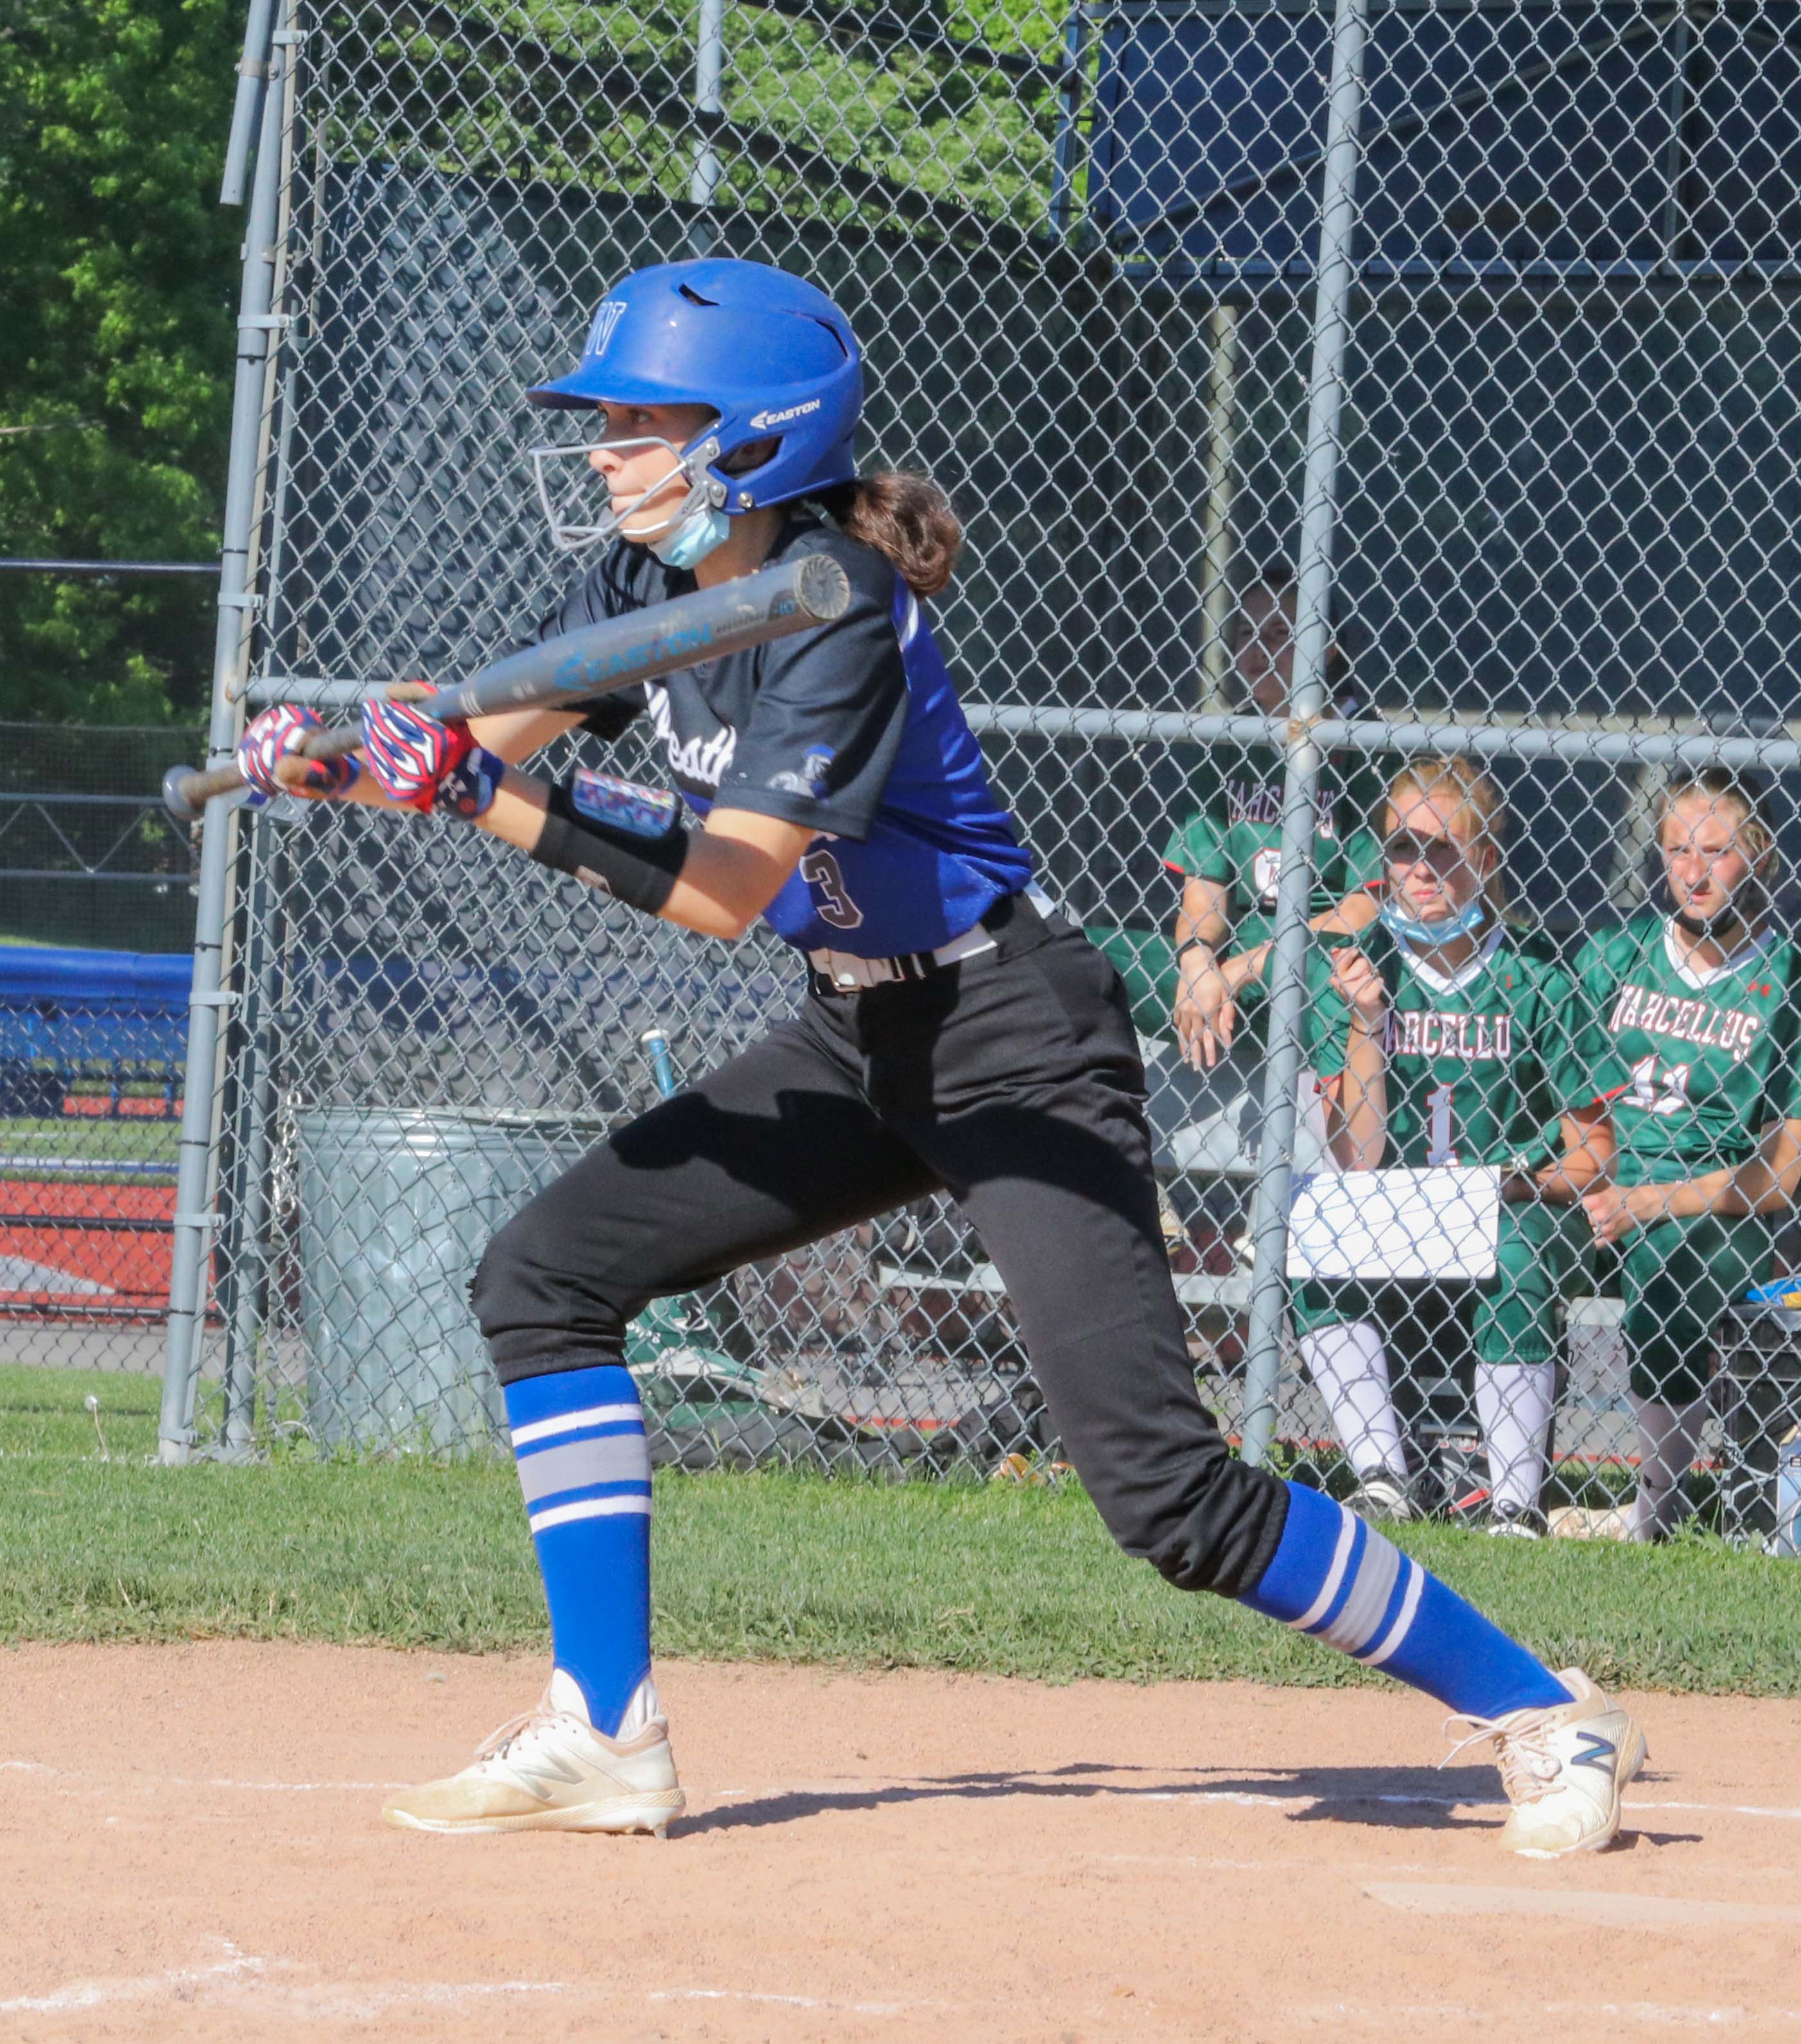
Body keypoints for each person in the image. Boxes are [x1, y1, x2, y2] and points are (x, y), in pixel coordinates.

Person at [235, 257, 1644, 1858]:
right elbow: (480, 737)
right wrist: (353, 757)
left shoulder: (832, 602)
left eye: (643, 421)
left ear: (753, 437)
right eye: (607, 421)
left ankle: (1546, 1707)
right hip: (857, 1031)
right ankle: (605, 1728)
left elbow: (724, 888)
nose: (607, 450)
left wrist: (470, 795)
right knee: (543, 1275)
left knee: (1165, 1494)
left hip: (1013, 1034)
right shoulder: (640, 578)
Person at [1296, 756, 1613, 1537]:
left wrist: (1512, 1184)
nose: (1421, 867)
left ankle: (1514, 1504)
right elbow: (1357, 1157)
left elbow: (1595, 1152)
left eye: (1443, 847)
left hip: (1511, 1208)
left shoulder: (1537, 972)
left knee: (1517, 1252)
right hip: (1397, 1208)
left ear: (1486, 857)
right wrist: (1368, 1021)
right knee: (1309, 1235)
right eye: (1403, 847)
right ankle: (1382, 1478)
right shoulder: (1357, 966)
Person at [1574, 768, 1801, 1539]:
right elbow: (1561, 1096)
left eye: (1717, 851)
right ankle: (1503, 1493)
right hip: (1595, 1178)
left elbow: (1777, 1178)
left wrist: (1649, 1203)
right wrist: (1590, 1181)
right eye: (1678, 850)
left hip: (1708, 1203)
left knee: (1685, 1260)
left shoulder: (1799, 983)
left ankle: (1654, 1511)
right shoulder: (1613, 958)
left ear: (1760, 857)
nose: (1694, 874)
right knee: (1515, 1241)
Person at [1167, 563, 1383, 1074]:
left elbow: (1364, 908)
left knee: (1329, 982)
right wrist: (1198, 961)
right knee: (1096, 957)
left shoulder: (1367, 744)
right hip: (1234, 949)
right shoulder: (1230, 741)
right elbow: (1204, 891)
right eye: (1247, 633)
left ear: (1327, 649)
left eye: (1280, 633)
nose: (1259, 649)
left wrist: (1250, 964)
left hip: (1325, 957)